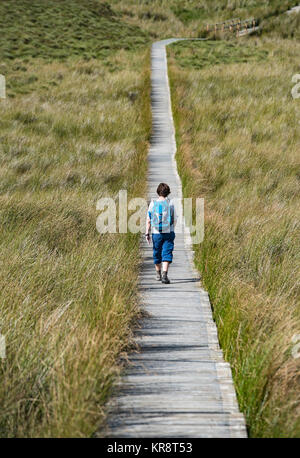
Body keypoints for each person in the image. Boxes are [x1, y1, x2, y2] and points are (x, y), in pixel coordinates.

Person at [145, 183, 177, 284]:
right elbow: (174, 219)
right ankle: (164, 274)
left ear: (158, 192)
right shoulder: (170, 203)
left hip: (156, 233)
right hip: (168, 232)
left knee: (157, 252)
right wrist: (171, 229)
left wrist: (147, 233)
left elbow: (148, 220)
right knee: (167, 252)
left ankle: (158, 274)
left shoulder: (153, 203)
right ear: (168, 193)